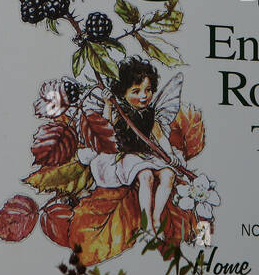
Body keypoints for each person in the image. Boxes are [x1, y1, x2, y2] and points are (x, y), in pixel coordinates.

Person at [77, 57, 183, 234]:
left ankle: (157, 218)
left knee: (168, 174)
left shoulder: (150, 113)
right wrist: (109, 105)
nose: (144, 96)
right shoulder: (121, 110)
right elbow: (107, 126)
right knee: (146, 176)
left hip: (145, 154)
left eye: (148, 90)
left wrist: (170, 154)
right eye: (136, 91)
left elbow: (159, 136)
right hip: (125, 155)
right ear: (123, 93)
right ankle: (146, 222)